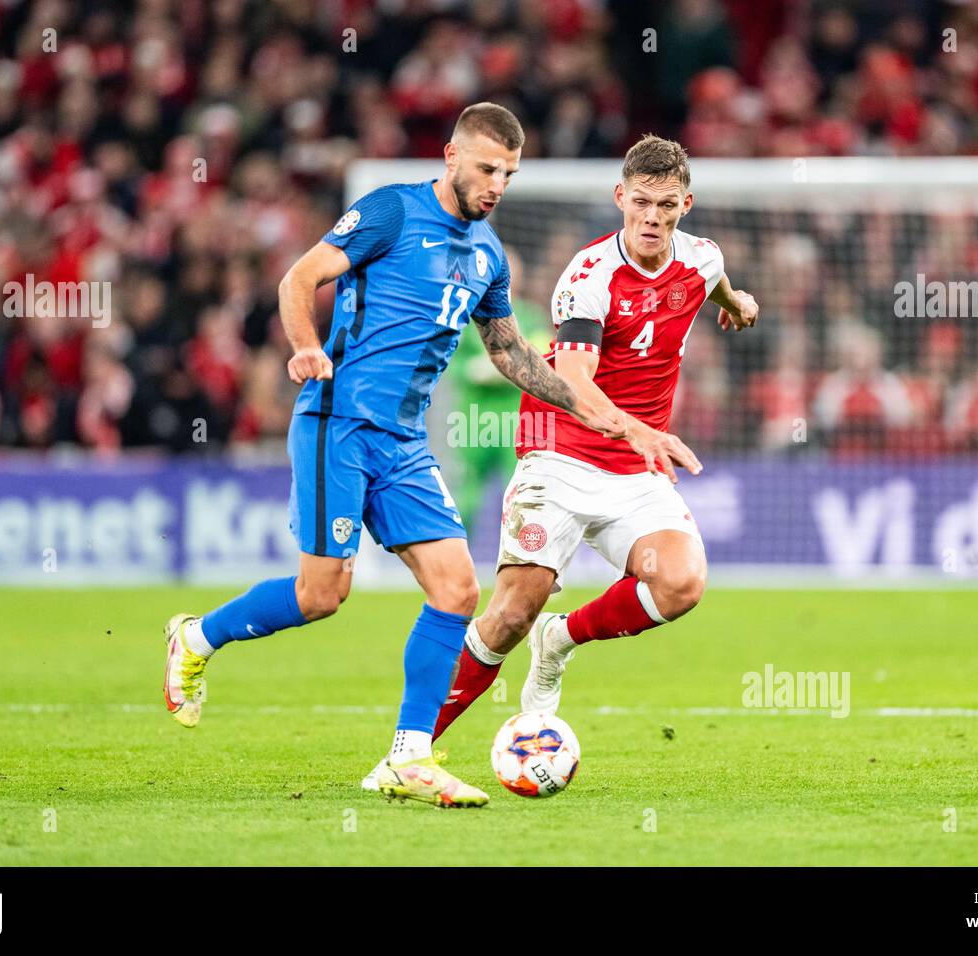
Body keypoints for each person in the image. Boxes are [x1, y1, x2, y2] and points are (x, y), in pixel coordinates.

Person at [161, 103, 636, 808]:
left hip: (405, 443)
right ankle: (198, 637)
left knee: (457, 590)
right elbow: (299, 279)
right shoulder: (391, 211)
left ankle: (409, 757)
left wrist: (586, 406)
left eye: (508, 173)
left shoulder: (488, 255)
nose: (496, 184)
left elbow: (508, 351)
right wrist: (306, 347)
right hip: (339, 423)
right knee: (322, 595)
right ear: (451, 156)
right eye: (486, 168)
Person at [363, 135, 758, 777]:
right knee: (511, 613)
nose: (651, 218)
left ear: (685, 206)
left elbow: (714, 282)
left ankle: (561, 637)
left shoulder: (703, 258)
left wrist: (736, 304)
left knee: (681, 582)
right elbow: (573, 380)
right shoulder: (589, 276)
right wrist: (637, 431)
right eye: (640, 203)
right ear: (620, 197)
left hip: (633, 469)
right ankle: (407, 755)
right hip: (560, 453)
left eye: (665, 206)